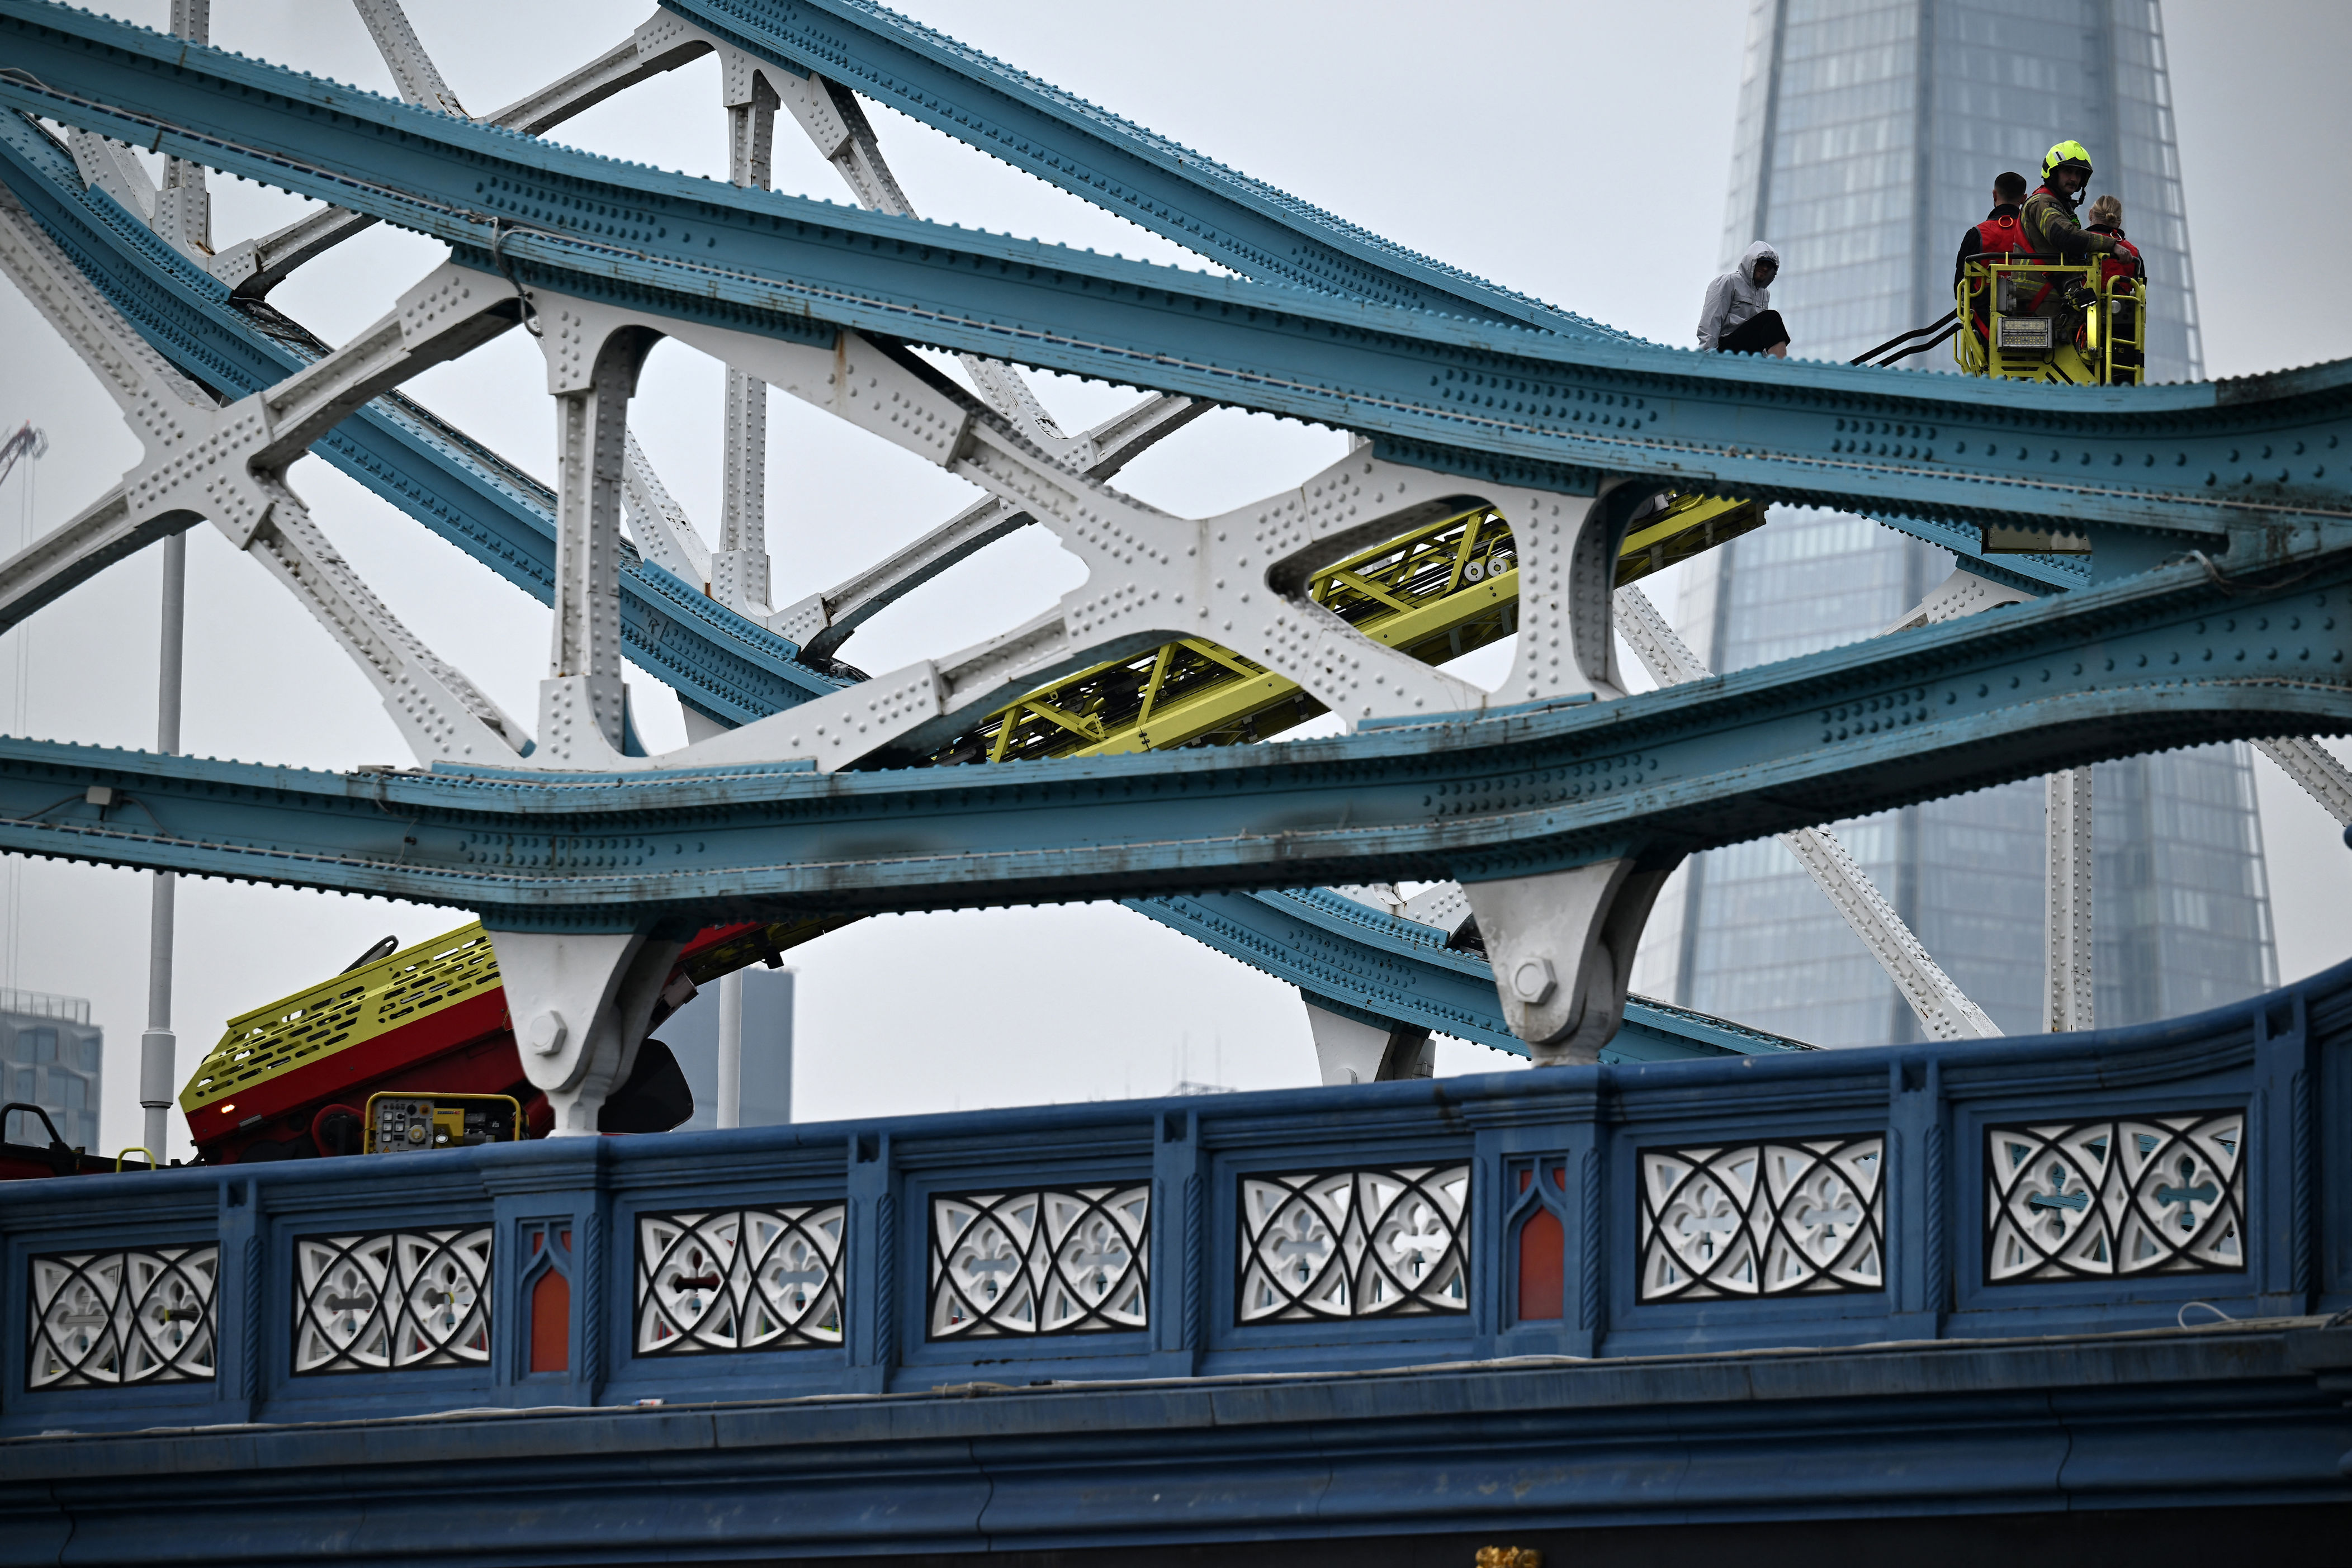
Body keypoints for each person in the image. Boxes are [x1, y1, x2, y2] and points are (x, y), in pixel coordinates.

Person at [1697, 241, 1789, 357]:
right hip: (1725, 347)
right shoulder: (1728, 282)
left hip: (1747, 349)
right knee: (1772, 317)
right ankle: (1781, 368)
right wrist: (1709, 357)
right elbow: (1710, 321)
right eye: (1762, 263)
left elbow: (1765, 333)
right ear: (1752, 263)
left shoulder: (1764, 294)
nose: (1765, 269)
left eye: (1769, 267)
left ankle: (1775, 367)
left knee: (1772, 326)